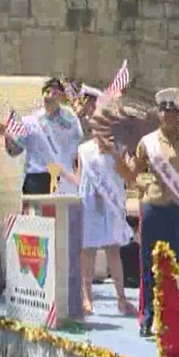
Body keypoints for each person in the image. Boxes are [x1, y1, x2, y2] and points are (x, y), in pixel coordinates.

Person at [113, 88, 179, 337]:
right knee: (150, 263)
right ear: (158, 114)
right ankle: (148, 316)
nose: (168, 116)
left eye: (173, 112)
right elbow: (132, 173)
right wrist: (137, 177)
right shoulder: (148, 142)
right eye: (164, 111)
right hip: (154, 208)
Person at [77, 121, 136, 316]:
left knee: (113, 251)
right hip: (90, 204)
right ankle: (87, 299)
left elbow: (128, 175)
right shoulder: (84, 149)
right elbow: (79, 177)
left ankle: (121, 299)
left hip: (112, 205)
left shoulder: (119, 147)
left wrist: (113, 152)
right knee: (88, 252)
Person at [4, 78, 83, 195]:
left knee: (64, 207)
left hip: (64, 179)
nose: (50, 96)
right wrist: (7, 137)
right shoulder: (29, 121)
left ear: (61, 97)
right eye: (47, 92)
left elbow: (78, 151)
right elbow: (15, 151)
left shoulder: (71, 121)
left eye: (55, 93)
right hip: (36, 179)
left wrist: (78, 175)